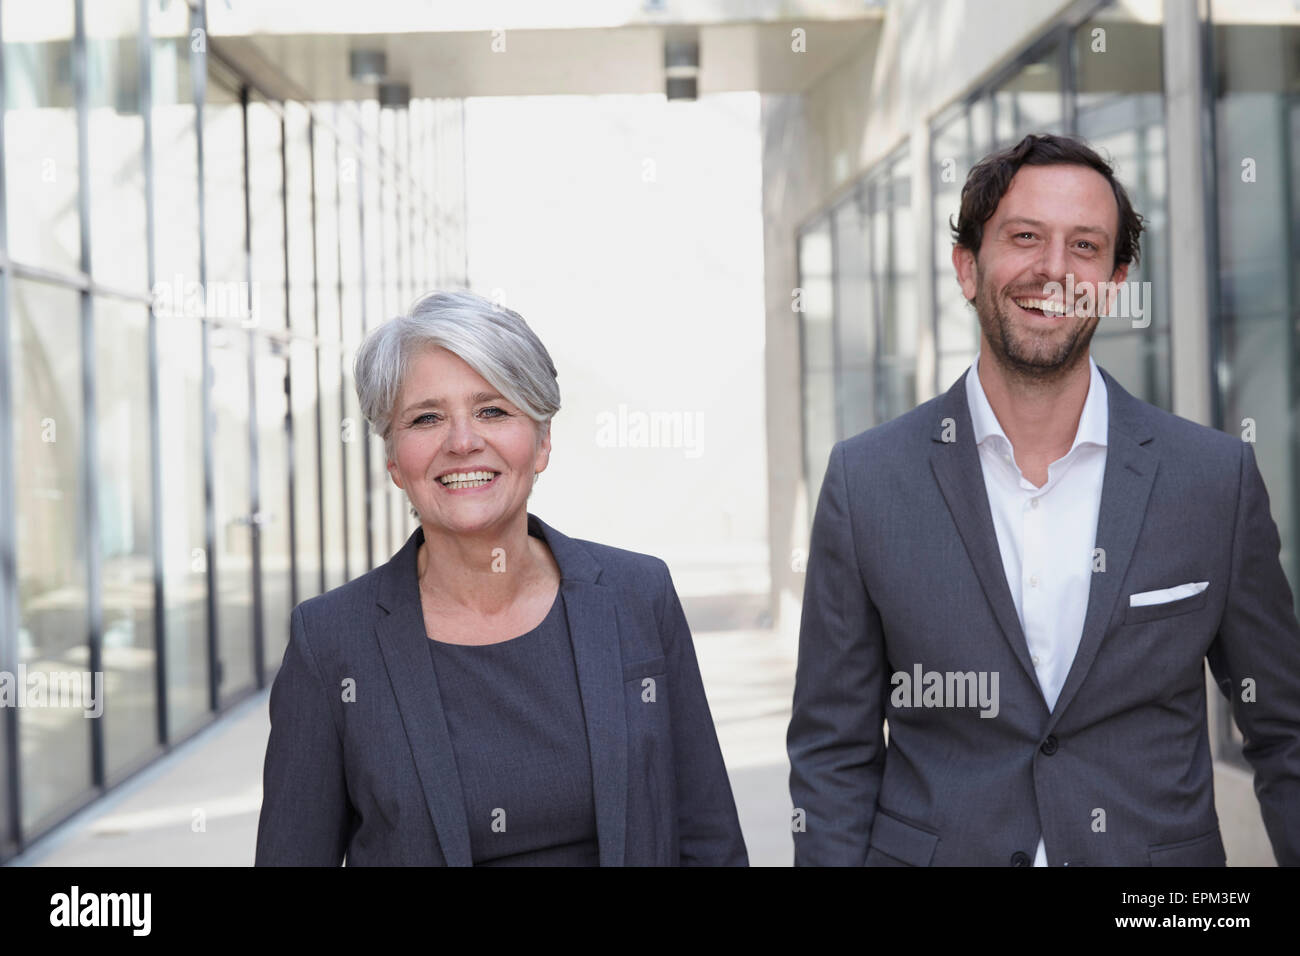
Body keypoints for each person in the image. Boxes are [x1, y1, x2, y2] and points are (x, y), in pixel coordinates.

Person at [786, 133, 1300, 866]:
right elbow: (832, 756)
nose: (1054, 269)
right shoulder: (865, 484)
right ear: (968, 266)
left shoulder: (1213, 481)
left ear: (1115, 280)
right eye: (1025, 237)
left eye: (1085, 246)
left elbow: (1285, 728)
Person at [256, 290, 746, 866]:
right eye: (427, 418)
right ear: (394, 461)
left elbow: (708, 838)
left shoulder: (639, 596)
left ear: (541, 443)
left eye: (493, 410)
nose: (462, 442)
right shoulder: (331, 641)